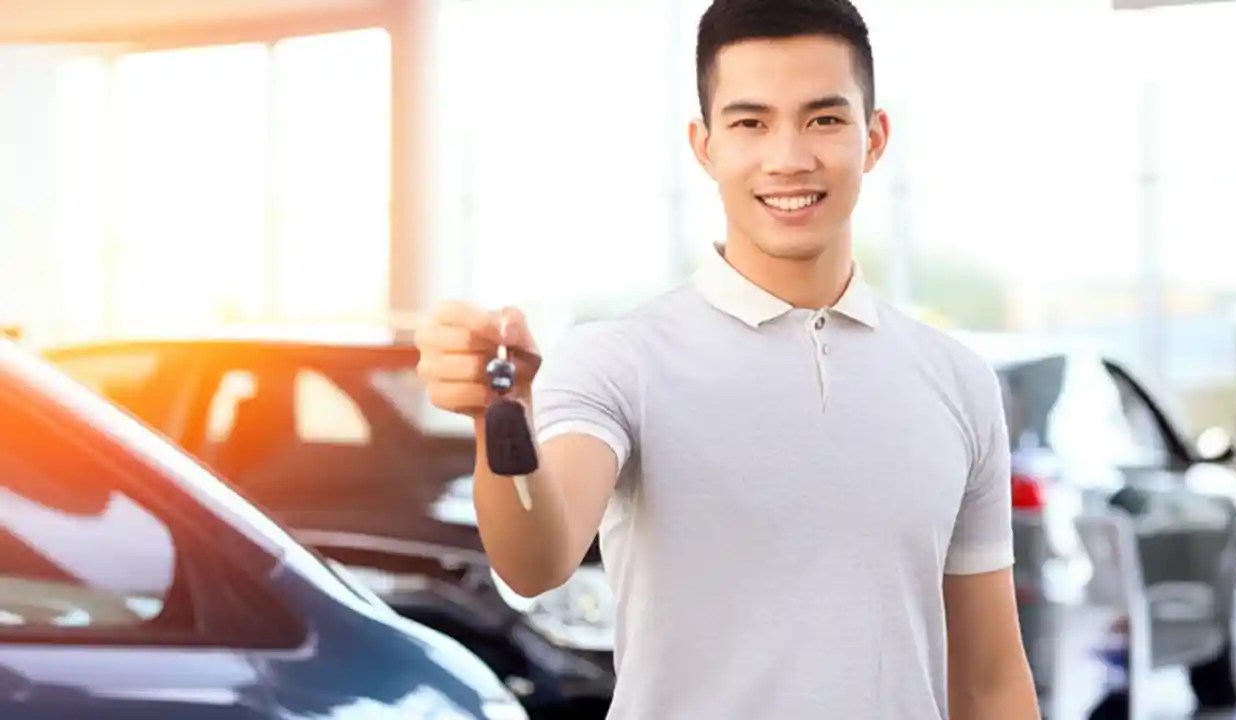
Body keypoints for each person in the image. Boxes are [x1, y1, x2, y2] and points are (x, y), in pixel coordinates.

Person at [415, 1, 1040, 717]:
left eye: (824, 119)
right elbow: (535, 561)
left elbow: (991, 680)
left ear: (874, 138)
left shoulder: (957, 380)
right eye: (751, 123)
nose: (789, 157)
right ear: (704, 145)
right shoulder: (619, 360)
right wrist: (503, 421)